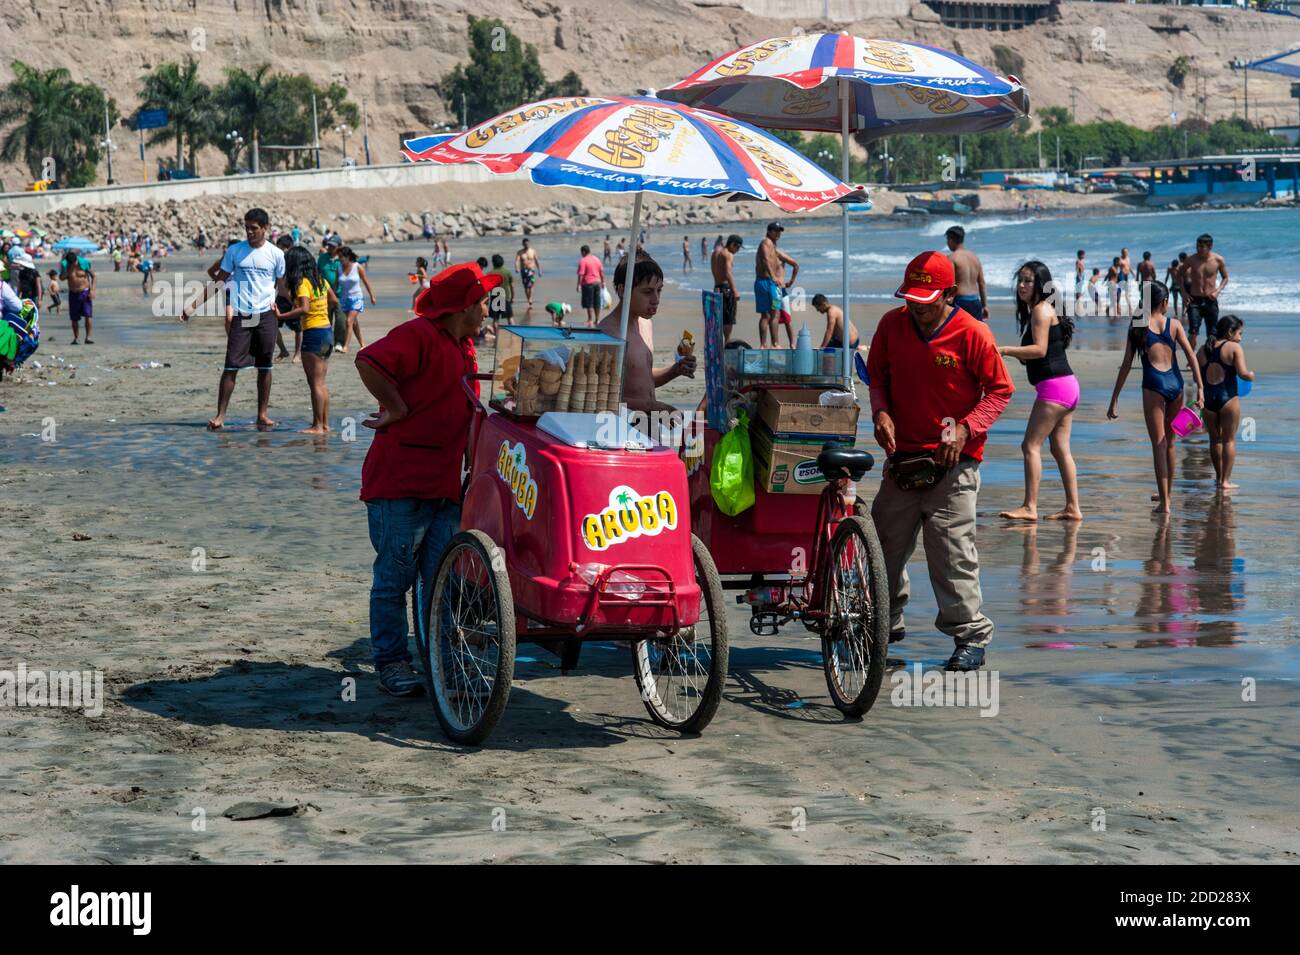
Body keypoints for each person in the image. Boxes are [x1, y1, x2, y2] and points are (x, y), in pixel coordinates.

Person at [355, 261, 499, 696]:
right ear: (462, 307)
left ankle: (443, 663)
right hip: (400, 484)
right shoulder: (418, 335)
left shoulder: (463, 346)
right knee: (394, 580)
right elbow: (368, 361)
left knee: (442, 582)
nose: (488, 309)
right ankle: (392, 664)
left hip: (443, 486)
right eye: (482, 302)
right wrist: (395, 406)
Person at [867, 251, 1014, 671]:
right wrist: (881, 412)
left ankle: (970, 634)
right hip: (902, 459)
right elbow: (877, 376)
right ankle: (883, 620)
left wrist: (966, 428)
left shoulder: (973, 333)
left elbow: (1000, 391)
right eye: (910, 298)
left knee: (951, 552)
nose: (916, 307)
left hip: (954, 464)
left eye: (926, 300)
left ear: (949, 294)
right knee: (883, 547)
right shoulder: (891, 326)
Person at [180, 207, 288, 431]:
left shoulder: (276, 254)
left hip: (266, 315)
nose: (249, 232)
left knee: (265, 367)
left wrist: (299, 308)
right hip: (241, 314)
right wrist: (192, 306)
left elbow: (284, 288)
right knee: (231, 367)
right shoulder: (235, 251)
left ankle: (262, 414)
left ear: (265, 228)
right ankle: (220, 415)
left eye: (254, 228)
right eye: (246, 228)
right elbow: (218, 282)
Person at [1106, 281, 1205, 514]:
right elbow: (1191, 357)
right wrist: (1200, 388)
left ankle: (1165, 503)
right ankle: (1166, 494)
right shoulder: (1174, 324)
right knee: (1170, 443)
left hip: (1153, 384)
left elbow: (1127, 365)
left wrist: (1115, 399)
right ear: (1164, 302)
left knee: (1158, 444)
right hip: (1177, 384)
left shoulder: (1138, 325)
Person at [997, 261, 1082, 522]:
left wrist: (1004, 350)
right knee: (1060, 449)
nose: (1022, 285)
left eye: (1028, 281)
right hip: (1067, 386)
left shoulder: (1041, 311)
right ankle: (1073, 508)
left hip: (1055, 388)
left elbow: (1039, 350)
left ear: (1040, 284)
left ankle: (1030, 507)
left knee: (1030, 445)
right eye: (1020, 280)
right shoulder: (1043, 309)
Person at [597, 257, 695, 416]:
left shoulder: (645, 323)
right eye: (648, 292)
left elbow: (642, 378)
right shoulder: (608, 334)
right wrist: (651, 406)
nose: (656, 300)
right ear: (623, 290)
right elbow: (601, 396)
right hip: (623, 427)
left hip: (648, 421)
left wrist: (675, 370)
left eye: (659, 290)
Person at [277, 246, 337, 434]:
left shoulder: (303, 283)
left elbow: (304, 308)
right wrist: (322, 312)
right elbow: (334, 301)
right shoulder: (321, 281)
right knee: (321, 382)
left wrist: (281, 316)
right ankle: (325, 424)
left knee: (315, 383)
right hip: (327, 331)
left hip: (313, 333)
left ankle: (317, 426)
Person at [1198, 314, 1253, 490]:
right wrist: (1251, 375)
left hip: (1208, 400)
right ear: (1230, 332)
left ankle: (1219, 477)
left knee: (1214, 440)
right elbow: (1243, 373)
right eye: (1240, 333)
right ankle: (1225, 481)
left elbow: (1196, 376)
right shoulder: (1233, 348)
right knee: (1229, 440)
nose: (1240, 338)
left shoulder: (1202, 349)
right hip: (1228, 398)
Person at [755, 221, 797, 349]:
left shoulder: (773, 246)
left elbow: (795, 264)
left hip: (763, 282)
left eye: (779, 231)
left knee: (768, 314)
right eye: (776, 230)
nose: (778, 233)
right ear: (769, 231)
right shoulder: (766, 242)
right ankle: (774, 344)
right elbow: (765, 259)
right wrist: (773, 277)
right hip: (769, 283)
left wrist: (789, 281)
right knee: (774, 313)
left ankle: (765, 344)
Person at [1182, 233, 1228, 351]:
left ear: (1210, 246)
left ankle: (1209, 358)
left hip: (1210, 300)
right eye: (1197, 246)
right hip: (1194, 300)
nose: (1198, 249)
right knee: (1193, 332)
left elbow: (1225, 278)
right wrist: (1184, 293)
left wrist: (1217, 291)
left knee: (1212, 333)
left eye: (1201, 247)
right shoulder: (1192, 259)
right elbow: (1179, 275)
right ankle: (1191, 358)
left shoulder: (1218, 260)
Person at [335, 246, 376, 352]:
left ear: (348, 257)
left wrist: (372, 296)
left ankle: (345, 346)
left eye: (341, 257)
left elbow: (366, 282)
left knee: (348, 321)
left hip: (357, 298)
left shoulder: (357, 267)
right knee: (353, 323)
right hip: (344, 299)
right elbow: (335, 285)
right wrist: (330, 297)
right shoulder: (338, 268)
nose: (339, 259)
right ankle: (362, 343)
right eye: (339, 257)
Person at [944, 225, 988, 321]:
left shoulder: (951, 258)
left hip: (959, 301)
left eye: (947, 240)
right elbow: (982, 283)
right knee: (974, 332)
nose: (947, 243)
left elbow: (948, 283)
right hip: (975, 301)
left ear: (951, 240)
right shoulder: (974, 257)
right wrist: (984, 305)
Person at [711, 234, 743, 344]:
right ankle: (727, 342)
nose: (737, 251)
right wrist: (734, 290)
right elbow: (728, 273)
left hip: (716, 287)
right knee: (728, 318)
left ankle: (717, 342)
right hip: (726, 289)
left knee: (719, 318)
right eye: (737, 247)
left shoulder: (715, 253)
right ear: (733, 244)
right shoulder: (728, 254)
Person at [62, 250, 95, 345]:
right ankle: (76, 338)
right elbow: (61, 278)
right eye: (71, 263)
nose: (73, 264)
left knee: (88, 315)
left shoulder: (84, 264)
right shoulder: (66, 266)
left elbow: (94, 276)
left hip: (85, 292)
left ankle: (88, 337)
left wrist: (92, 290)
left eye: (74, 262)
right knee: (74, 318)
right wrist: (66, 273)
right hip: (73, 293)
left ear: (76, 260)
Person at [316, 237, 344, 347]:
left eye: (333, 246)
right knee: (326, 319)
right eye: (329, 245)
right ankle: (327, 341)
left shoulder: (342, 259)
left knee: (341, 320)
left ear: (339, 246)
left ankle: (339, 341)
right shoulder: (322, 258)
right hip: (324, 294)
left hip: (340, 294)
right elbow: (317, 273)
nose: (330, 247)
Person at [576, 244, 604, 327]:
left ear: (583, 252)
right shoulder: (596, 259)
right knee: (597, 302)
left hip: (588, 284)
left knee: (589, 303)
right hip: (597, 282)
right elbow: (601, 272)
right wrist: (603, 282)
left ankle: (590, 320)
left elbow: (581, 274)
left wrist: (578, 285)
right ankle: (597, 320)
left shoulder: (583, 260)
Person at [488, 252, 513, 340]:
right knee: (510, 319)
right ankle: (513, 335)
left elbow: (488, 288)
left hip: (495, 298)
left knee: (495, 319)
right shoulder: (507, 272)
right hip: (505, 297)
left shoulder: (490, 273)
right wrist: (512, 297)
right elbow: (512, 286)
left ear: (493, 262)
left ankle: (497, 336)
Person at [516, 238, 542, 308]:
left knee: (531, 285)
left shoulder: (533, 251)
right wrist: (517, 268)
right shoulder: (520, 252)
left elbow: (536, 261)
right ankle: (528, 298)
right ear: (523, 244)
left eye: (527, 244)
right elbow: (517, 261)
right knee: (525, 286)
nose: (526, 245)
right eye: (525, 244)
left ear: (529, 243)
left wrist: (539, 270)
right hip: (523, 270)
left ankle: (530, 299)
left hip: (531, 270)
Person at [1073, 249, 1086, 317]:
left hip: (1082, 275)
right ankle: (1077, 305)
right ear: (1080, 255)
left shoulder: (1082, 261)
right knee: (1078, 291)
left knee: (1080, 291)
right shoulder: (1078, 261)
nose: (1084, 256)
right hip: (1079, 276)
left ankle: (1078, 304)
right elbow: (1077, 269)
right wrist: (1079, 276)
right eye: (1083, 254)